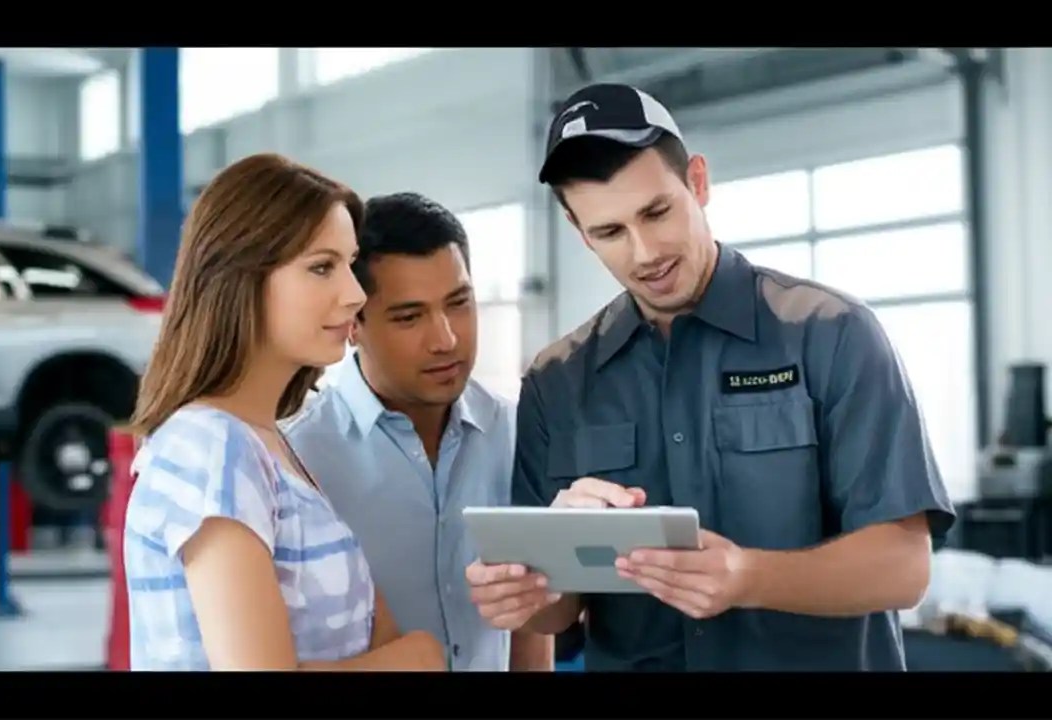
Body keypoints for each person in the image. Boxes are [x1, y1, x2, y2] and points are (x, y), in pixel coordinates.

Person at [463, 83, 957, 671]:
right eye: (609, 232)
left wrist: (749, 577)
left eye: (656, 212)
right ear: (577, 229)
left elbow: (904, 567)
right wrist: (522, 592)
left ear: (697, 182)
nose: (644, 252)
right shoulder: (557, 381)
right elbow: (556, 614)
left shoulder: (832, 334)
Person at [121, 153, 445, 671]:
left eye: (350, 264)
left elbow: (382, 638)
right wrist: (420, 657)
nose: (355, 294)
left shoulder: (270, 446)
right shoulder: (213, 448)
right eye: (321, 268)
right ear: (238, 277)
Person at [283, 192, 554, 672]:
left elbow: (530, 622)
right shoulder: (298, 458)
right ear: (353, 323)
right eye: (410, 317)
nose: (446, 339)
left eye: (459, 304)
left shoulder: (516, 434)